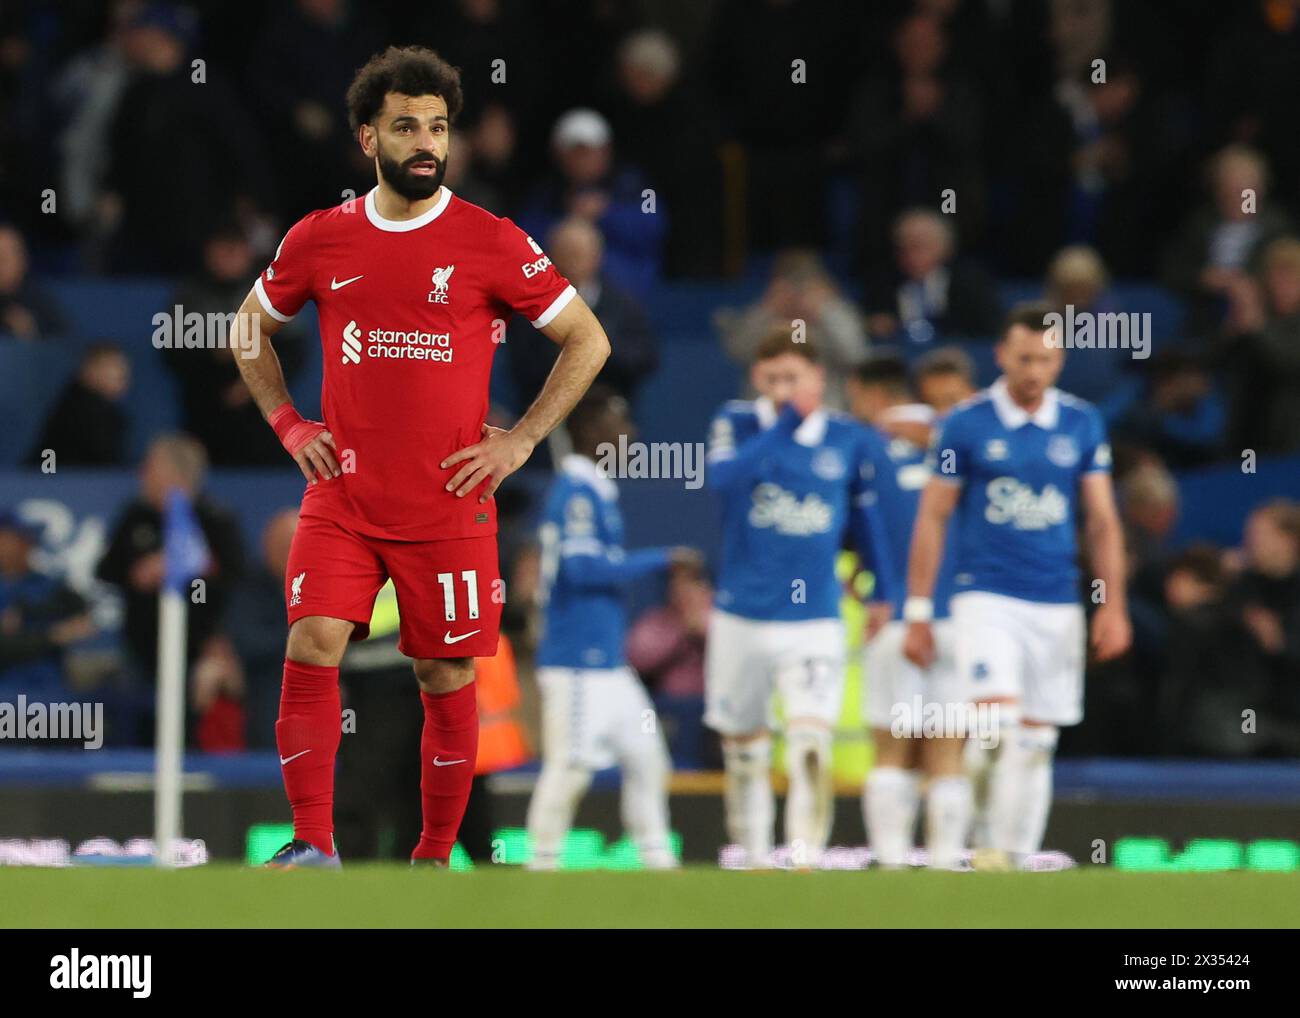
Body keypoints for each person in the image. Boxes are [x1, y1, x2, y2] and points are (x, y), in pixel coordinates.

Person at [225, 47, 610, 869]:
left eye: (438, 126)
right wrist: (291, 425)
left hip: (450, 503)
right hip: (345, 496)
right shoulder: (321, 238)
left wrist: (522, 439)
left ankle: (434, 855)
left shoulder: (491, 240)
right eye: (406, 126)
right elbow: (247, 326)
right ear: (368, 137)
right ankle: (312, 845)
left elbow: (588, 339)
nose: (426, 142)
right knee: (312, 643)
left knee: (443, 677)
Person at [903, 303, 1131, 870]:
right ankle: (982, 844)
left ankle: (1016, 858)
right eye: (1024, 358)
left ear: (1061, 361)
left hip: (1056, 602)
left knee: (1036, 743)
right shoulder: (966, 423)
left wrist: (1112, 605)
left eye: (1047, 360)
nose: (1034, 372)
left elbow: (1101, 520)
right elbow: (933, 516)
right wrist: (918, 608)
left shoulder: (1081, 423)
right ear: (1002, 356)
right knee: (996, 728)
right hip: (987, 596)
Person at [704, 329, 896, 868]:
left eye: (795, 378)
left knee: (811, 743)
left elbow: (865, 517)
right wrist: (787, 423)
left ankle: (806, 858)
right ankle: (756, 858)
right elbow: (724, 480)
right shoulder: (737, 423)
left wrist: (882, 588)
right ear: (756, 380)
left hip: (813, 617)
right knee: (744, 754)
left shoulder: (847, 438)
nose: (784, 388)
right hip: (740, 614)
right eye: (773, 378)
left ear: (818, 379)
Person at [525, 389, 684, 871]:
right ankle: (542, 864)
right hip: (576, 662)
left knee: (647, 755)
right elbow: (581, 570)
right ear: (588, 431)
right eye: (618, 422)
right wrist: (661, 559)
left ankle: (657, 858)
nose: (629, 434)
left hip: (609, 665)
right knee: (570, 767)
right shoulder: (575, 492)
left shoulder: (594, 490)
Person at [846, 353, 968, 869]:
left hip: (895, 616)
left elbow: (844, 523)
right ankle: (945, 861)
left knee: (891, 749)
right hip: (957, 618)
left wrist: (859, 579)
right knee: (947, 752)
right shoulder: (967, 450)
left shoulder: (869, 451)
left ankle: (890, 860)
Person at [26, 343, 131, 467]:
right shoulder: (78, 409)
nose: (122, 375)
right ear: (89, 370)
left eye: (123, 369)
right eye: (114, 367)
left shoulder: (103, 410)